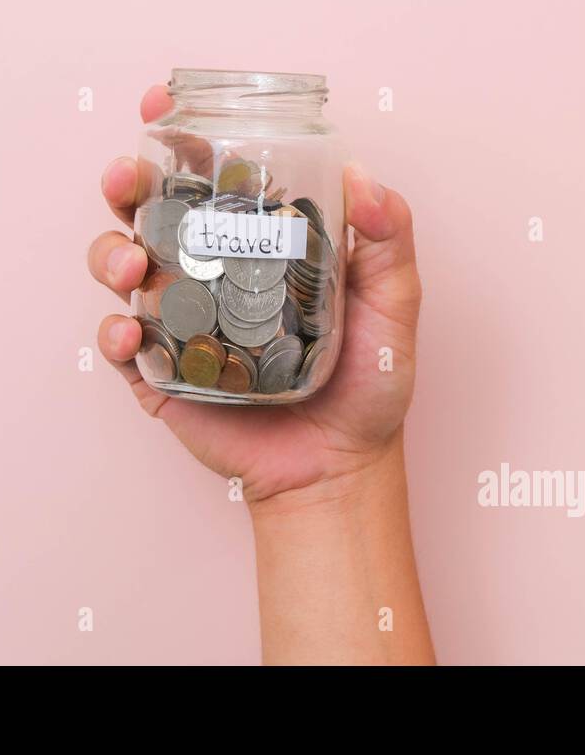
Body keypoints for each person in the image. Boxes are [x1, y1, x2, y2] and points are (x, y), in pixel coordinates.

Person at [87, 85, 435, 665]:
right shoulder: (182, 159)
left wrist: (341, 473)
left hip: (316, 409)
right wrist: (321, 489)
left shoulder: (318, 147)